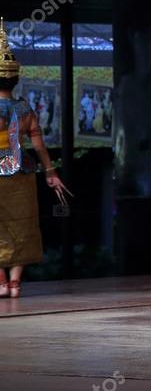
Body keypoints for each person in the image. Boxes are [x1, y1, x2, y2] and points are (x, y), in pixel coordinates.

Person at [0, 19, 71, 298]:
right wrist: (51, 173)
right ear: (14, 78)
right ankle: (15, 283)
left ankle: (2, 281)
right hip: (22, 172)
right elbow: (39, 146)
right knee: (23, 222)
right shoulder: (25, 108)